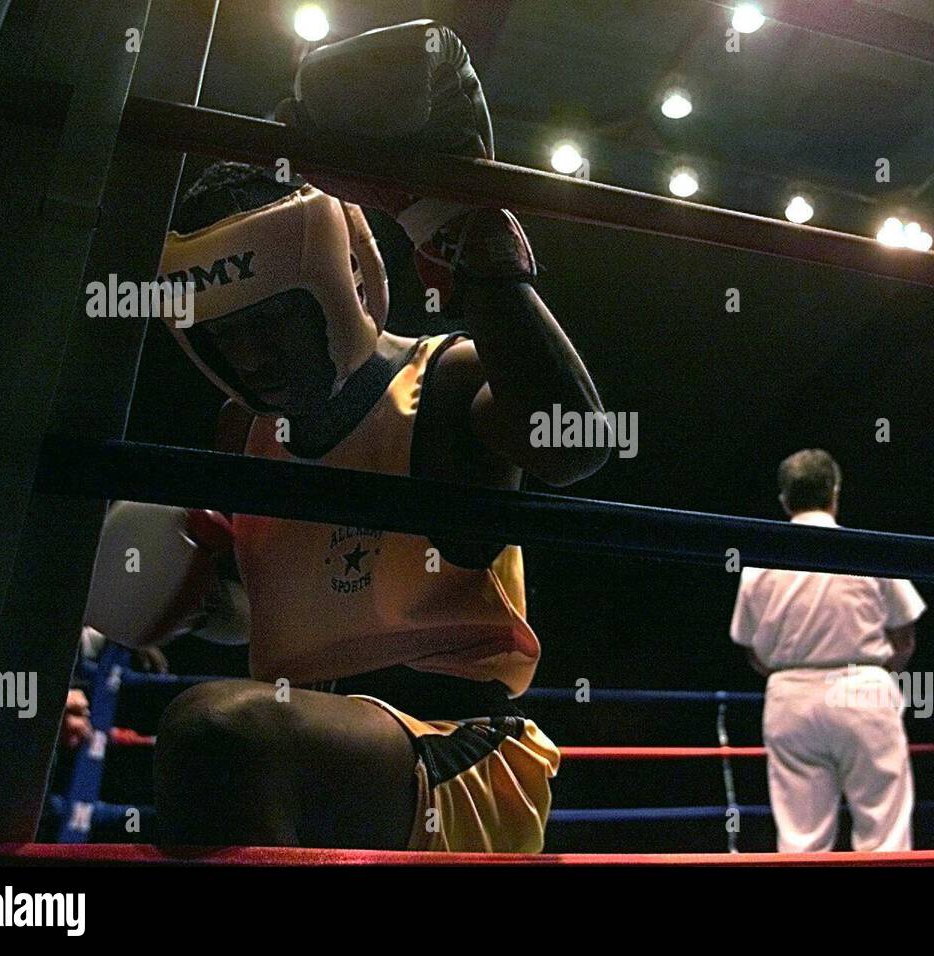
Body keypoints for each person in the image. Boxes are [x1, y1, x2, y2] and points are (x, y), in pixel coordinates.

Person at [129, 21, 609, 851]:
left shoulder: (444, 377)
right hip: (316, 741)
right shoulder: (241, 429)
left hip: (450, 752)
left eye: (271, 320)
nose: (250, 355)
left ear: (341, 280)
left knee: (218, 735)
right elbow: (276, 613)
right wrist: (200, 601)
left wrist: (461, 220)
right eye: (225, 334)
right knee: (230, 736)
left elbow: (575, 442)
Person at [731, 449, 924, 852]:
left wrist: (800, 672)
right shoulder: (867, 548)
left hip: (790, 697)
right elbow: (904, 635)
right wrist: (874, 671)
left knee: (800, 840)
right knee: (884, 834)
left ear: (784, 500)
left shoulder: (759, 563)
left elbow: (752, 652)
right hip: (862, 689)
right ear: (835, 493)